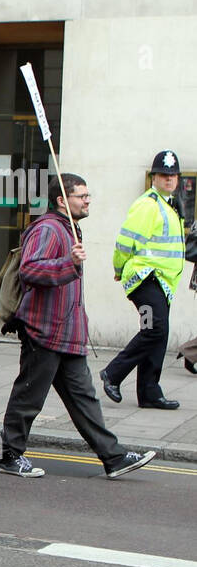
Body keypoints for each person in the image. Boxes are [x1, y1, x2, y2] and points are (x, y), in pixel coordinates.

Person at [0, 173, 156, 479]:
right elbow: (30, 270)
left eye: (87, 195)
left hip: (67, 333)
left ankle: (114, 458)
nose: (87, 200)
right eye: (81, 196)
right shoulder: (47, 229)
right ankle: (8, 456)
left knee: (85, 400)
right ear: (61, 200)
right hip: (43, 330)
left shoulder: (70, 229)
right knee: (29, 397)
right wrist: (68, 263)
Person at [100, 151, 186, 410]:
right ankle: (112, 374)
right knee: (154, 329)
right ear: (153, 177)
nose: (169, 179)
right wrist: (118, 268)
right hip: (145, 280)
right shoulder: (147, 205)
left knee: (159, 334)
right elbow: (124, 242)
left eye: (172, 175)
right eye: (163, 175)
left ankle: (149, 392)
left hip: (162, 283)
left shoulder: (168, 204)